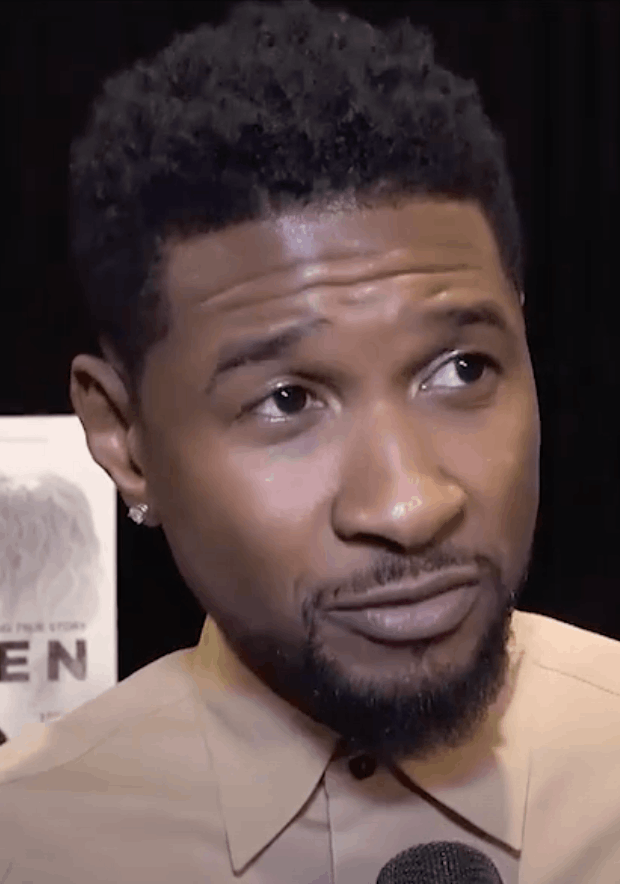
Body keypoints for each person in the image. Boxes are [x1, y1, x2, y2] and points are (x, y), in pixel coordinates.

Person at [1, 2, 619, 882]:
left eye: (461, 369)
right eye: (287, 400)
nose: (409, 505)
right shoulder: (27, 844)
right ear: (126, 440)